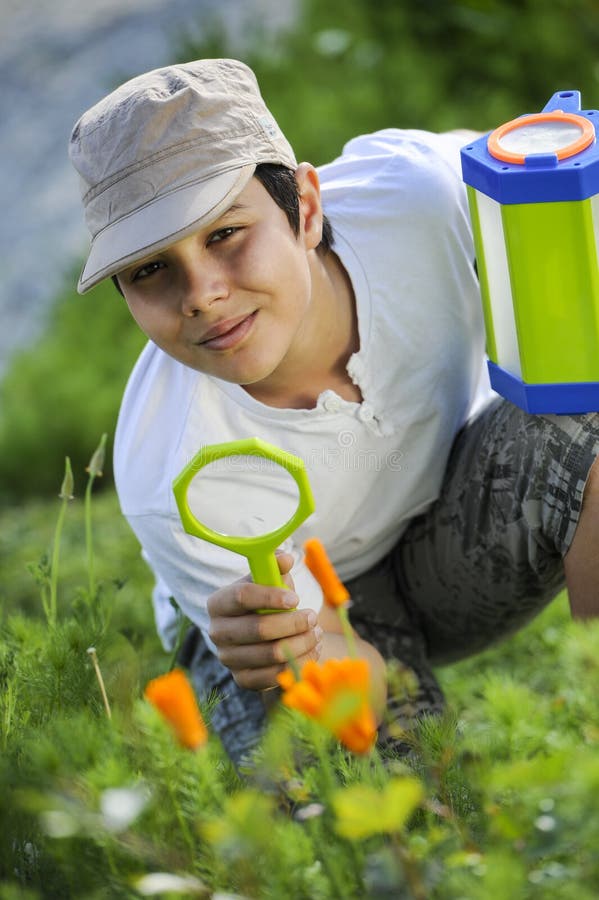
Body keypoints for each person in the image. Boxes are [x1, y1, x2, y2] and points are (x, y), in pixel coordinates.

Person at [69, 58, 599, 765]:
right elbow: (358, 682)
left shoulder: (415, 198)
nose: (199, 293)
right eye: (148, 270)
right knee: (373, 824)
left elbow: (554, 165)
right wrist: (303, 654)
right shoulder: (171, 474)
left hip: (461, 522)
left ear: (307, 210)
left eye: (224, 233)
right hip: (325, 617)